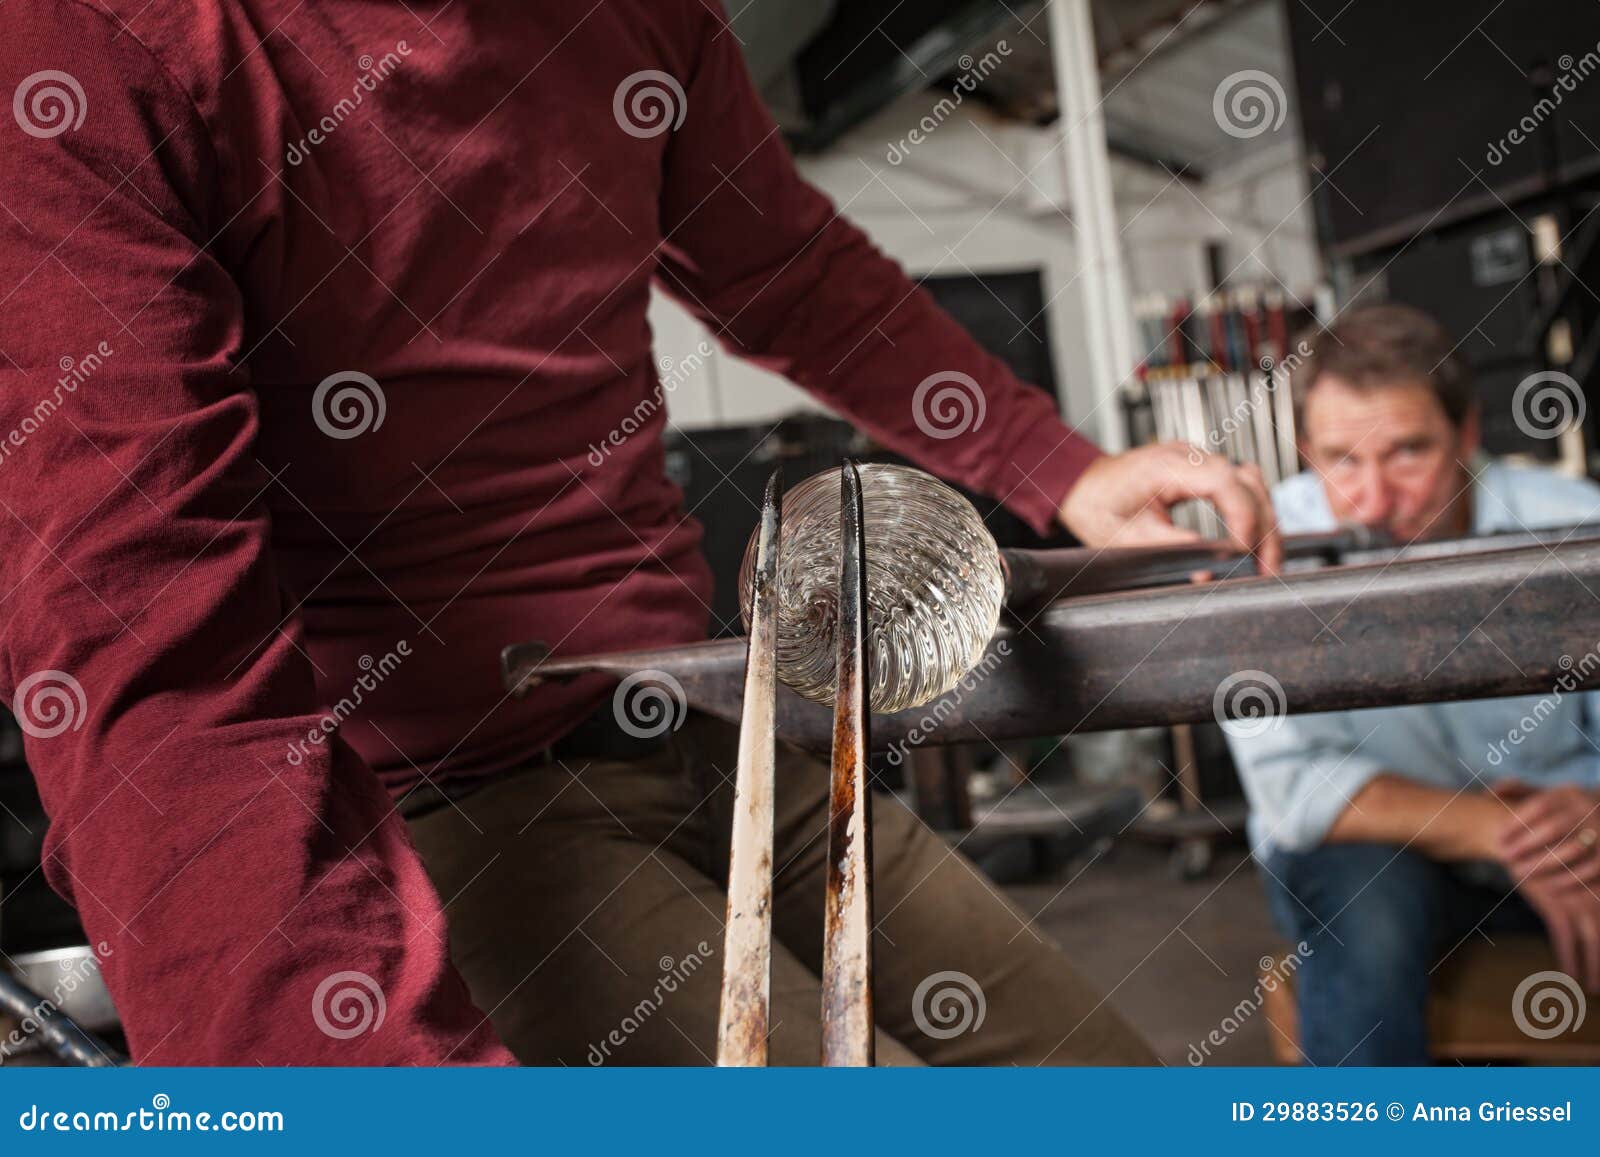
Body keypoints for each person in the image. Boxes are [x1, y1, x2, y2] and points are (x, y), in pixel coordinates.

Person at [0, 0, 1279, 1064]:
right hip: (449, 794)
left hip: (711, 722)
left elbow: (781, 263)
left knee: (1105, 1084)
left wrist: (1057, 466)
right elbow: (156, 656)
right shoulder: (98, 45)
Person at [1225, 303, 1600, 1066]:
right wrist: (1507, 830)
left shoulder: (1579, 531)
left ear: (1467, 436)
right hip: (1379, 858)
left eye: (1407, 453)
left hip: (1576, 845)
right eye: (1340, 460)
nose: (1374, 499)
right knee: (1371, 906)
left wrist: (1591, 821)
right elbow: (1296, 792)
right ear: (1305, 450)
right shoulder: (1260, 563)